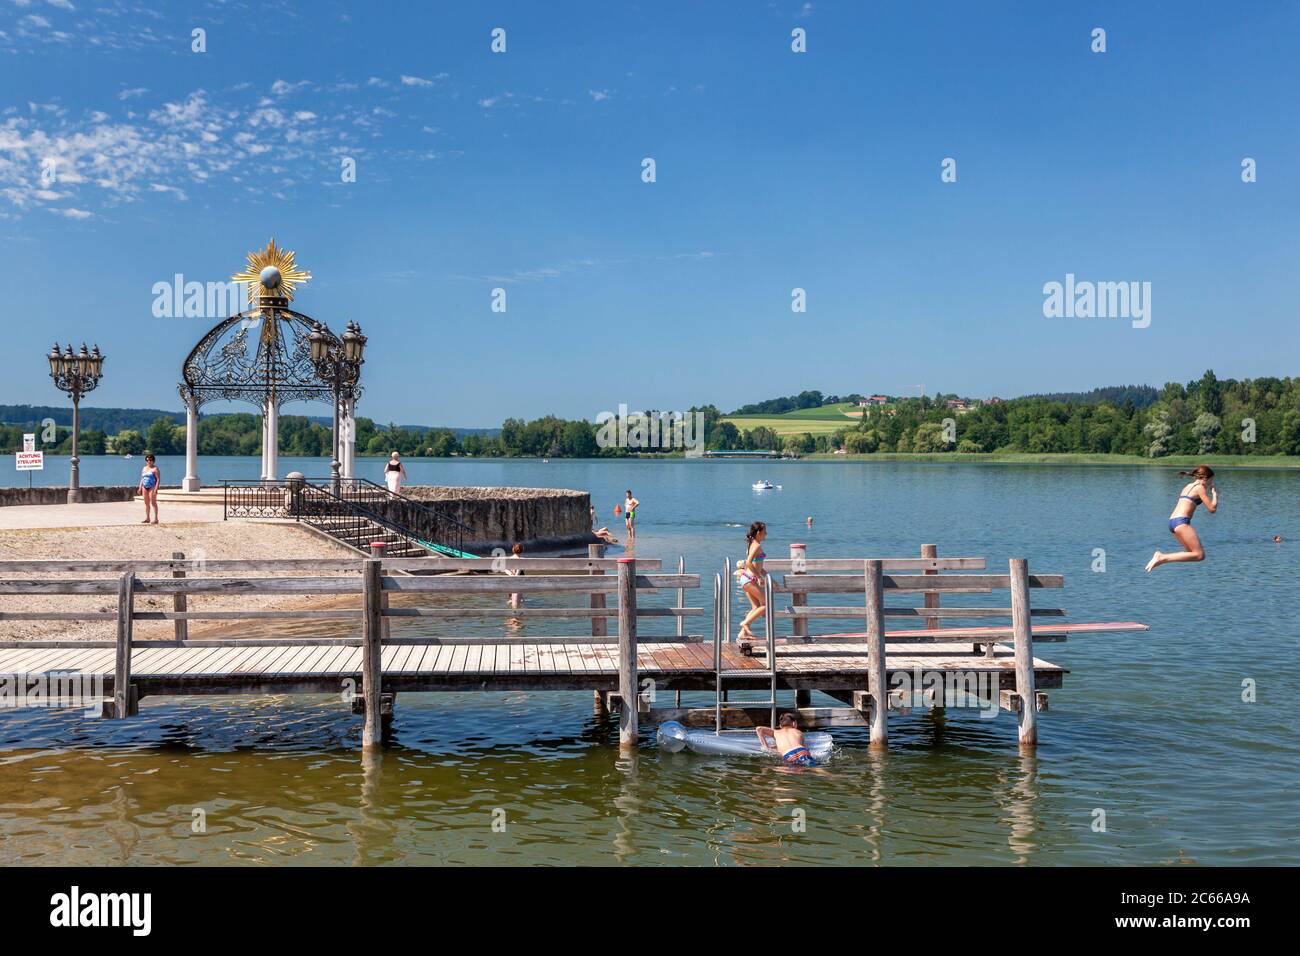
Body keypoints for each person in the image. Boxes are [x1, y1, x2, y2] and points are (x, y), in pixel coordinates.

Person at [1146, 465, 1218, 571]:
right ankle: (1161, 557)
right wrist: (1215, 495)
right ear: (1205, 478)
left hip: (1172, 522)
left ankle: (1162, 559)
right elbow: (1212, 509)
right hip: (1182, 522)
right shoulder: (1200, 488)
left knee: (1191, 553)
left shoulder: (1187, 486)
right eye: (1210, 481)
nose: (1210, 484)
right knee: (1200, 555)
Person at [734, 520, 768, 645]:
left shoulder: (753, 543)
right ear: (759, 532)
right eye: (765, 532)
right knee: (766, 604)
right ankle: (746, 623)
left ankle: (742, 633)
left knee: (756, 607)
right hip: (749, 579)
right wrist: (759, 577)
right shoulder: (756, 545)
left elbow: (757, 565)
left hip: (746, 578)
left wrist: (769, 577)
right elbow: (748, 562)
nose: (766, 534)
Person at [138, 453, 161, 524]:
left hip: (152, 487)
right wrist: (140, 487)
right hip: (144, 486)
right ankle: (147, 518)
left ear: (153, 461)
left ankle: (156, 519)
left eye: (151, 460)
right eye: (147, 460)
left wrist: (156, 488)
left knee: (153, 503)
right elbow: (142, 478)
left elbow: (158, 479)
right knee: (146, 503)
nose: (149, 461)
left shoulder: (155, 469)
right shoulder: (144, 468)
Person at [506, 542, 524, 609]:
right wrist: (516, 575)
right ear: (522, 550)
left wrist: (510, 574)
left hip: (510, 577)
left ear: (513, 549)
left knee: (511, 594)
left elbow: (505, 569)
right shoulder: (521, 559)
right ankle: (518, 605)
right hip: (518, 578)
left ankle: (511, 600)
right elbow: (519, 569)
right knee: (519, 596)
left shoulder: (509, 558)